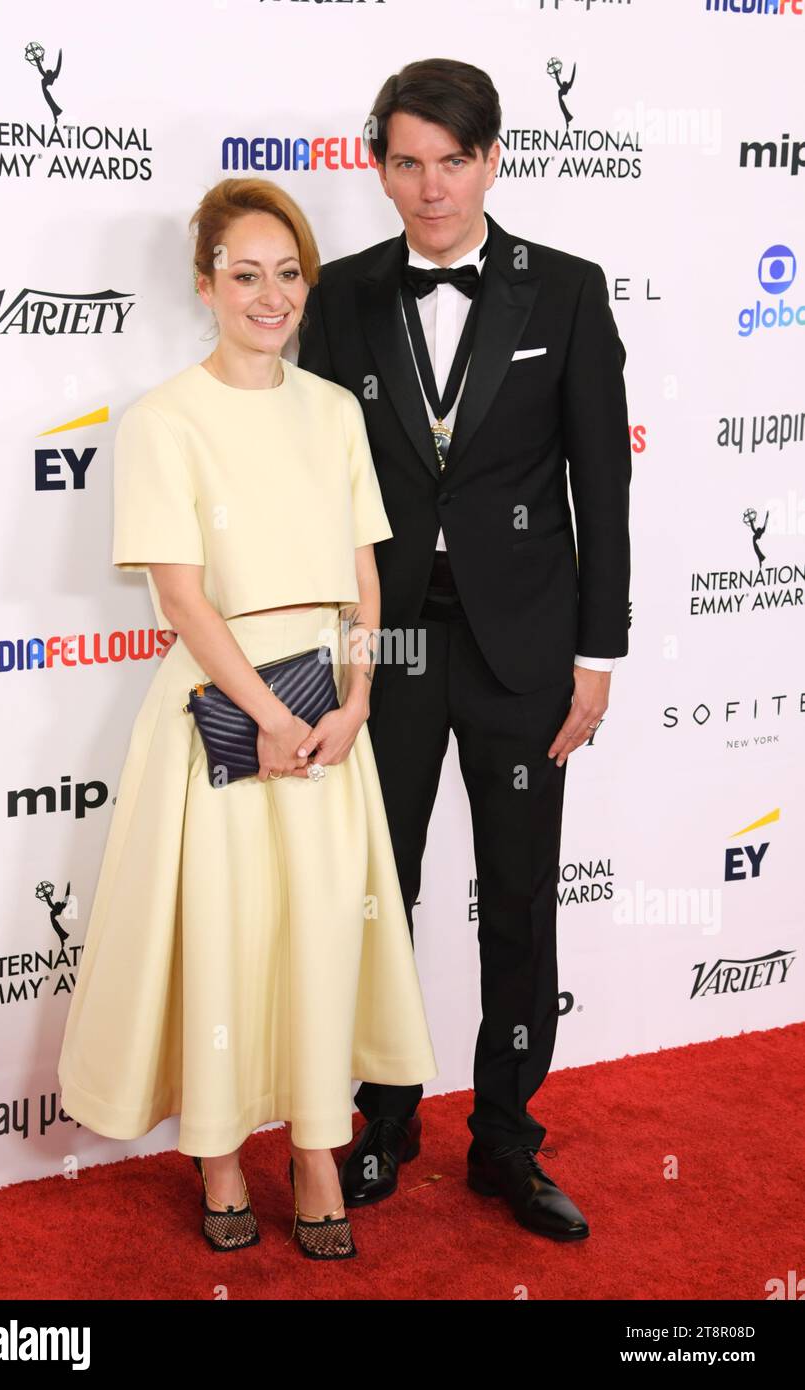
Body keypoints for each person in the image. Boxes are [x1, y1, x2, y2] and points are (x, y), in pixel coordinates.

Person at [56, 177, 437, 1261]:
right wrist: (267, 712)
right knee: (223, 940)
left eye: (287, 274)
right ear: (204, 284)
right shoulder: (164, 420)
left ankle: (315, 1146)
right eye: (244, 274)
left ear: (305, 284)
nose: (268, 296)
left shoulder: (331, 409)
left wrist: (356, 695)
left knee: (320, 934)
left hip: (327, 717)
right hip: (220, 712)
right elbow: (180, 595)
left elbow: (365, 570)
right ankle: (218, 1153)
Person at [297, 58, 632, 1242]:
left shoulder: (569, 293)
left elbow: (604, 478)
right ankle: (383, 1120)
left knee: (521, 900)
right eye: (406, 162)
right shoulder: (336, 297)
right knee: (377, 892)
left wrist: (598, 658)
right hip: (382, 645)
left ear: (491, 159)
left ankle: (504, 1139)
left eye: (452, 160)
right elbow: (314, 488)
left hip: (526, 649)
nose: (429, 187)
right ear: (376, 166)